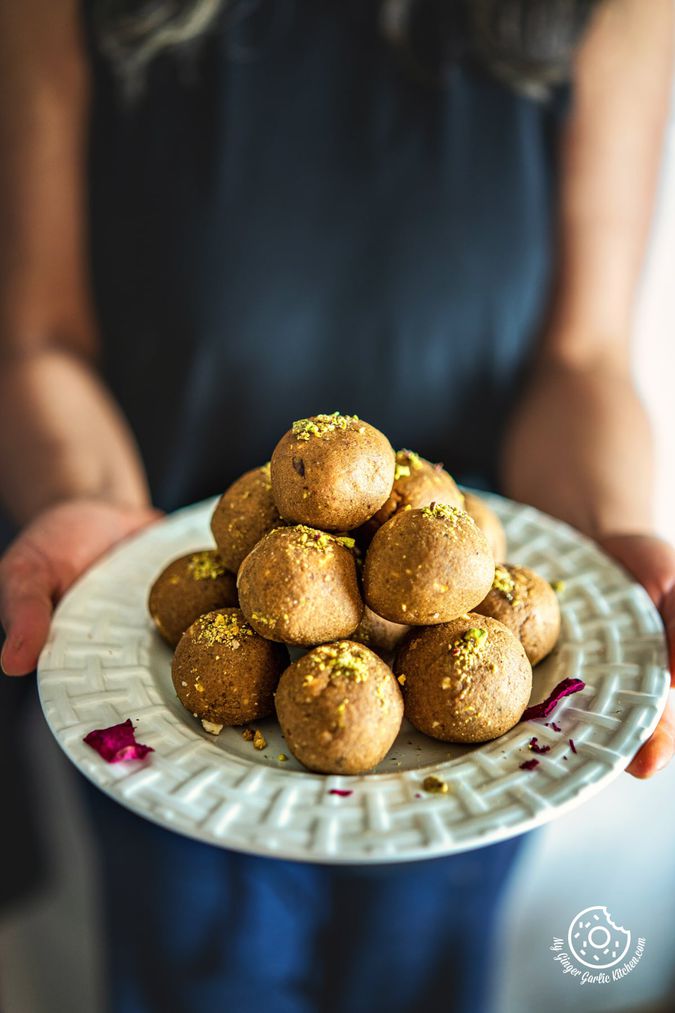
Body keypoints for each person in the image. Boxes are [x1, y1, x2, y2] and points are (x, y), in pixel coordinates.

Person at [0, 1, 674, 1010]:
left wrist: (611, 529)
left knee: (423, 980)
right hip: (162, 682)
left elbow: (581, 357)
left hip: (461, 727)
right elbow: (38, 338)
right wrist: (86, 499)